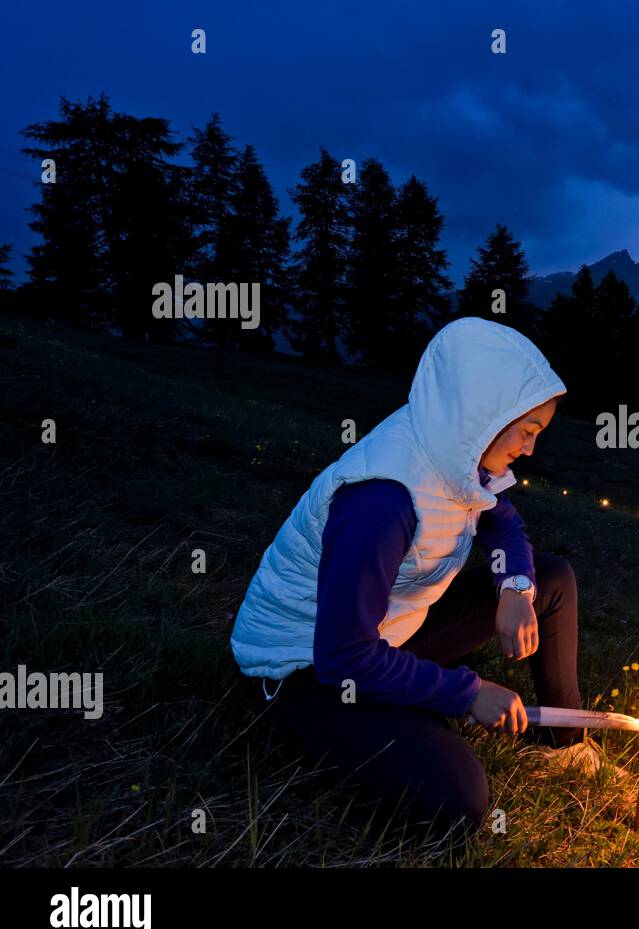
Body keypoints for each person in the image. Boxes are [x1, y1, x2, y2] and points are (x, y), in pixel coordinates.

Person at [229, 316, 612, 839]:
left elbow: (501, 520)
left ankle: (564, 748)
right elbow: (344, 656)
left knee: (552, 578)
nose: (530, 449)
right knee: (456, 801)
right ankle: (392, 725)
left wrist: (515, 589)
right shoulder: (381, 499)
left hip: (388, 634)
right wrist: (466, 692)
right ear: (485, 415)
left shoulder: (455, 453)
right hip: (311, 670)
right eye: (528, 431)